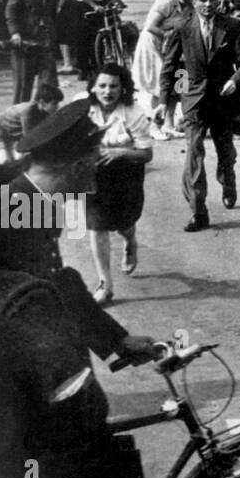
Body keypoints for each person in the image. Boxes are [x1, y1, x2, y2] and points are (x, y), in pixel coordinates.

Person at [0, 102, 159, 478]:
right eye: (93, 160)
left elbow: (57, 279)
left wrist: (116, 340)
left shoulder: (42, 204)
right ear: (75, 164)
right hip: (8, 393)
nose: (96, 170)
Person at [159, 0, 240, 232]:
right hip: (194, 100)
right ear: (193, 1)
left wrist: (235, 81)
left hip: (223, 100)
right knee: (194, 152)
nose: (208, 4)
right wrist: (162, 102)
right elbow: (170, 65)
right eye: (202, 0)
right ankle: (198, 210)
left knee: (225, 150)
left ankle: (228, 182)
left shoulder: (232, 26)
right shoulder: (182, 26)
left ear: (219, 0)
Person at [84, 63, 153, 305]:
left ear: (123, 88)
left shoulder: (133, 113)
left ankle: (130, 241)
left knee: (124, 223)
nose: (107, 91)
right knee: (97, 226)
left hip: (126, 177)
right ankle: (105, 284)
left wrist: (122, 153)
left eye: (113, 86)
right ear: (93, 87)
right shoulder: (83, 110)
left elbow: (146, 155)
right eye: (102, 85)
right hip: (93, 177)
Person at [133, 0, 193, 140]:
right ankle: (154, 127)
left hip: (168, 45)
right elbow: (150, 26)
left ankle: (168, 125)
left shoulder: (189, 6)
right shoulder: (165, 2)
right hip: (152, 43)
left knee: (172, 83)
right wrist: (171, 38)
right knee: (159, 85)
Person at [5, 0, 61, 105]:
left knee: (48, 87)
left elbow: (53, 12)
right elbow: (11, 8)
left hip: (46, 40)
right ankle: (18, 124)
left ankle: (44, 124)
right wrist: (15, 33)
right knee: (23, 87)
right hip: (25, 40)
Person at [0, 84, 63, 165]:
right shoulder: (28, 111)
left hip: (11, 134)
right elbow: (29, 139)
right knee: (8, 163)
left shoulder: (44, 111)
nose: (57, 106)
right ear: (42, 102)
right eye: (54, 103)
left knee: (21, 160)